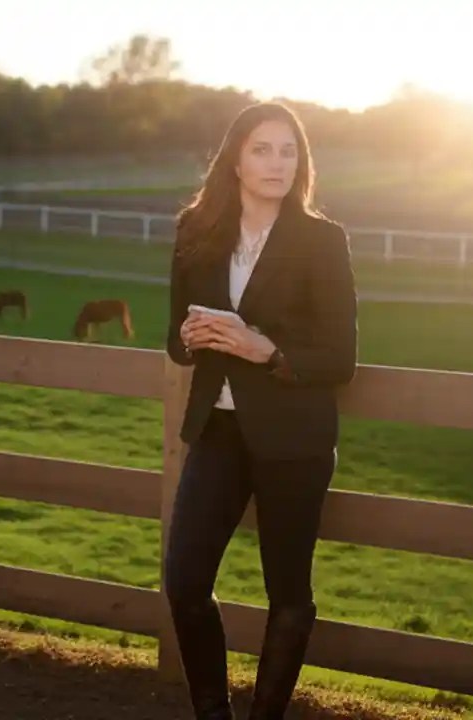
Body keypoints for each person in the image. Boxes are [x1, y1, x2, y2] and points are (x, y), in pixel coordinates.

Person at [163, 101, 359, 720]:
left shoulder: (323, 241)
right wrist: (194, 337)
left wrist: (263, 348)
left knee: (289, 593)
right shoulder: (197, 231)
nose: (277, 163)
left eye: (289, 151)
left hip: (294, 439)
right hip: (218, 430)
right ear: (236, 160)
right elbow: (175, 336)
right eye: (262, 149)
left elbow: (341, 357)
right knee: (186, 581)